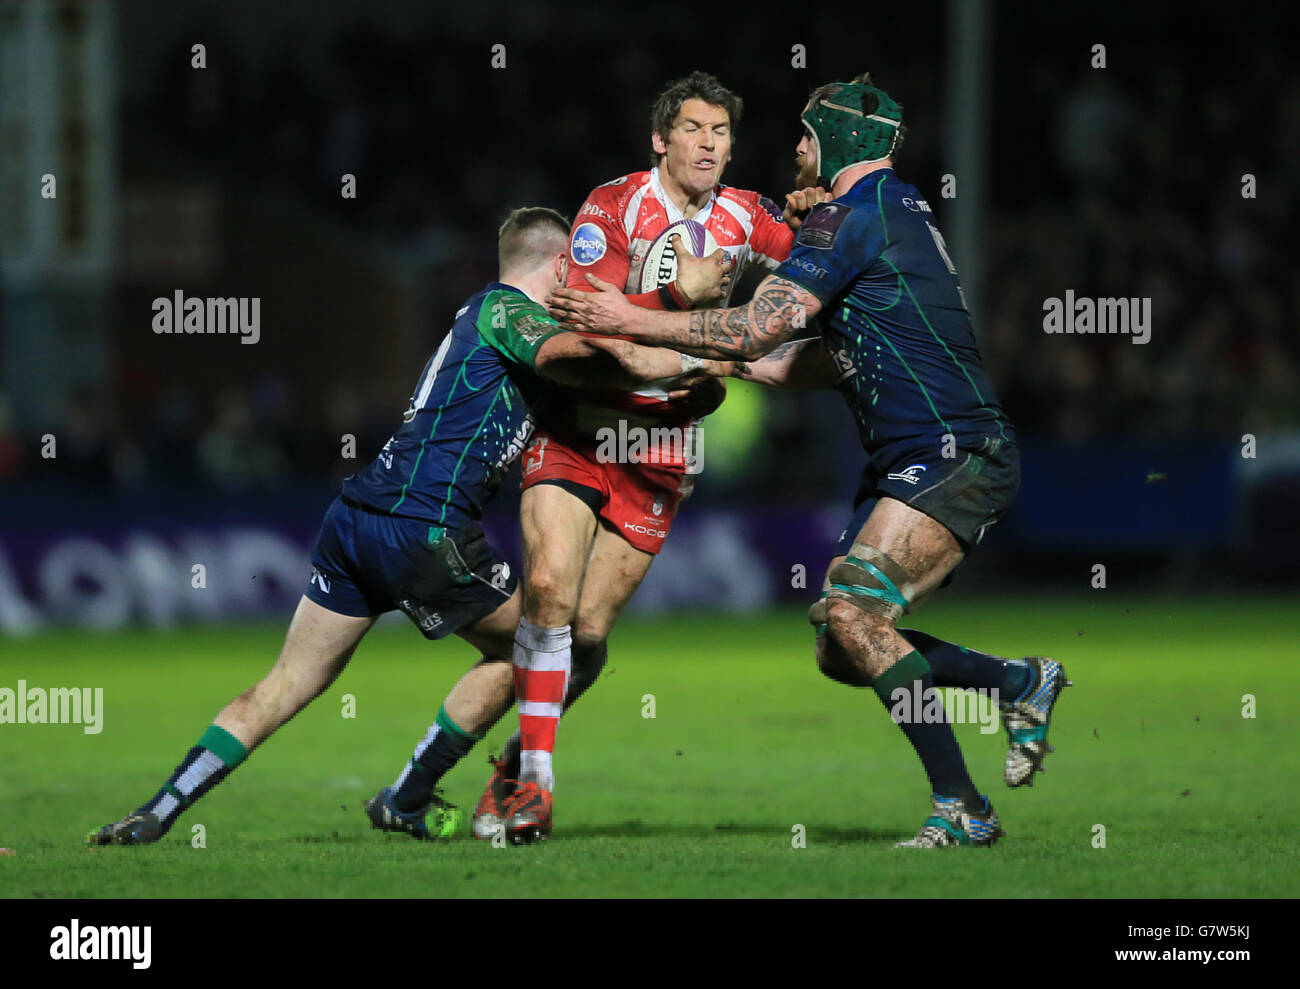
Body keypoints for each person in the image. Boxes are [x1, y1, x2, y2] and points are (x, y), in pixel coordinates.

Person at [87, 207, 730, 846]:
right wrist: (688, 343)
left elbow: (584, 397)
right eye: (581, 272)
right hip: (424, 528)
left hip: (356, 520)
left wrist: (666, 409)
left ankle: (157, 812)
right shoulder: (506, 313)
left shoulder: (488, 327)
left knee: (286, 684)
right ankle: (412, 794)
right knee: (560, 649)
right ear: (562, 267)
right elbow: (582, 360)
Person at [545, 73, 1070, 848]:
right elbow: (818, 356)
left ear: (842, 141)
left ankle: (961, 806)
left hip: (953, 447)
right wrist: (729, 364)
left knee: (857, 614)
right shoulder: (892, 211)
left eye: (807, 134)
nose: (796, 148)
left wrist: (629, 317)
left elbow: (760, 325)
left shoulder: (854, 217)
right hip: (913, 455)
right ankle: (1015, 682)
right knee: (841, 647)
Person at [462, 71, 825, 845]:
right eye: (692, 129)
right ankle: (538, 791)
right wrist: (706, 334)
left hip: (660, 447)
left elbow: (823, 276)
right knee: (550, 590)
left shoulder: (751, 218)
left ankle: (514, 765)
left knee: (586, 637)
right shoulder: (611, 207)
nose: (708, 144)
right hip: (582, 429)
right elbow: (597, 334)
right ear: (661, 139)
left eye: (720, 133)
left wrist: (813, 215)